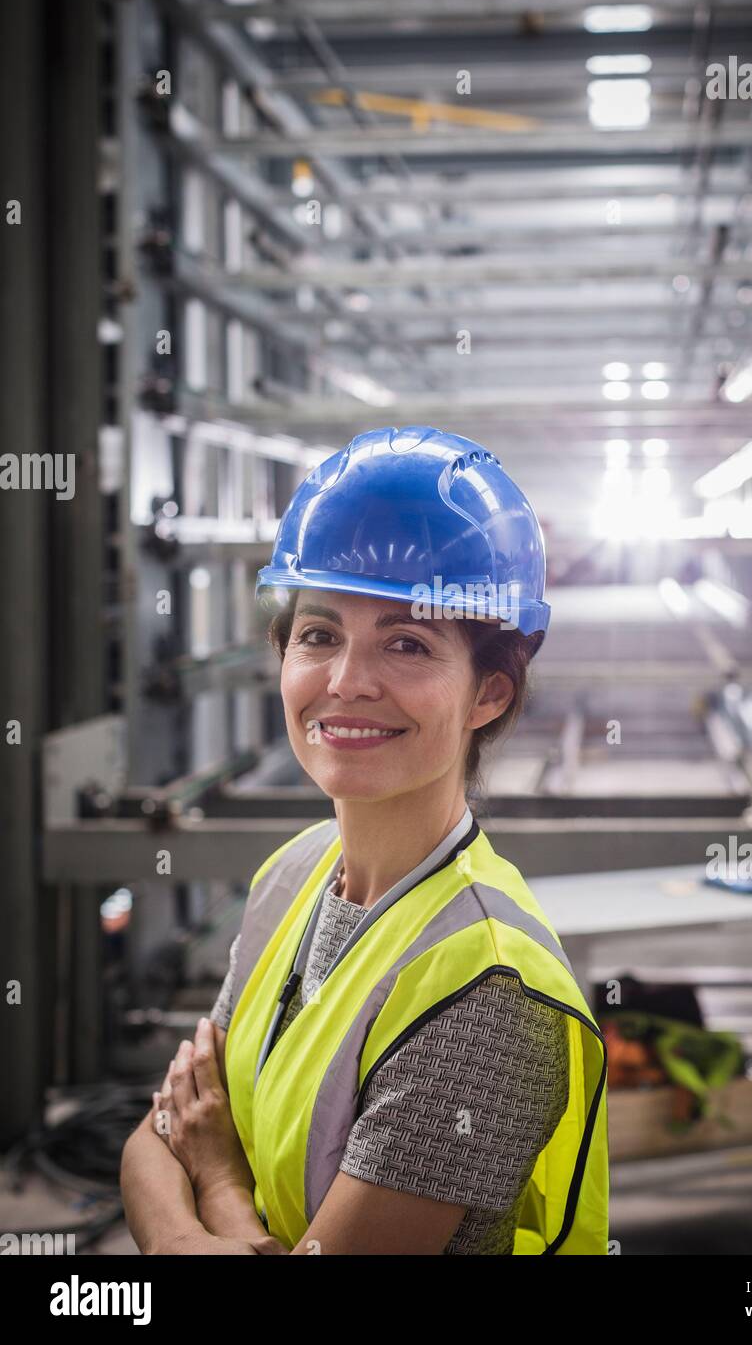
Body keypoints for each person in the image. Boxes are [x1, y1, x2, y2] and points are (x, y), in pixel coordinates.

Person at [120, 425, 609, 1255]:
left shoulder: (490, 994)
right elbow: (155, 1137)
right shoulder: (295, 874)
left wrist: (217, 1188)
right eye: (318, 635)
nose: (347, 681)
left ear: (489, 693)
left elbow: (193, 1148)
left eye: (408, 643)